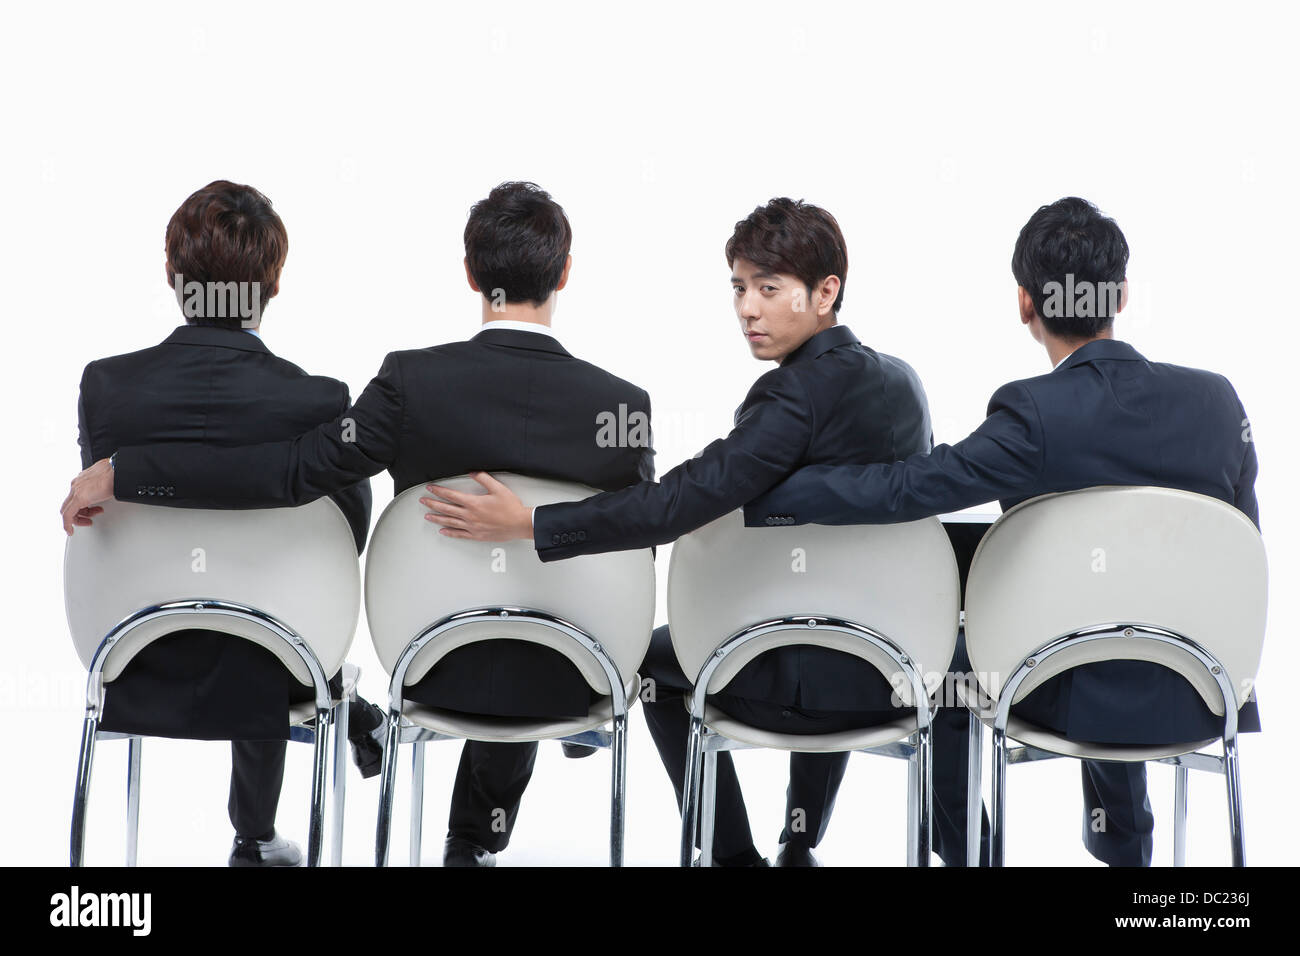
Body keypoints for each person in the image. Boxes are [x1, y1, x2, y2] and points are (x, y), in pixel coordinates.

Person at [63, 181, 655, 867]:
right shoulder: (621, 404)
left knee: (459, 609)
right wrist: (541, 525)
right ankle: (472, 831)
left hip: (377, 658)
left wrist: (132, 471)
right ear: (565, 271)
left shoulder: (408, 385)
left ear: (470, 273)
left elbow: (287, 478)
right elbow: (643, 527)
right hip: (571, 667)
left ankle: (363, 788)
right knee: (522, 611)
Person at [741, 197, 1262, 866]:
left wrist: (763, 490)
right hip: (1202, 686)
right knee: (1123, 615)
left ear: (1025, 302)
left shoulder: (1034, 413)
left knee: (955, 665)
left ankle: (969, 857)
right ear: (1122, 294)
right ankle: (1127, 848)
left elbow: (907, 488)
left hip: (1059, 689)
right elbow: (1242, 550)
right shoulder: (1217, 404)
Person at [419, 198, 936, 866]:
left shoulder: (791, 399)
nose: (747, 308)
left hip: (785, 682)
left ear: (826, 291)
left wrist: (533, 523)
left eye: (768, 289)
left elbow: (675, 503)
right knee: (834, 606)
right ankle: (799, 842)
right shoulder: (905, 385)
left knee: (658, 664)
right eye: (739, 288)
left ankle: (732, 855)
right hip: (891, 666)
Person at [70, 180, 382, 866]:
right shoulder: (318, 402)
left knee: (241, 592)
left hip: (133, 652)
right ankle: (256, 836)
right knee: (267, 598)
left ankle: (257, 833)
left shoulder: (108, 389)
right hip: (279, 660)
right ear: (271, 286)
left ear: (172, 274)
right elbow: (342, 542)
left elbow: (116, 525)